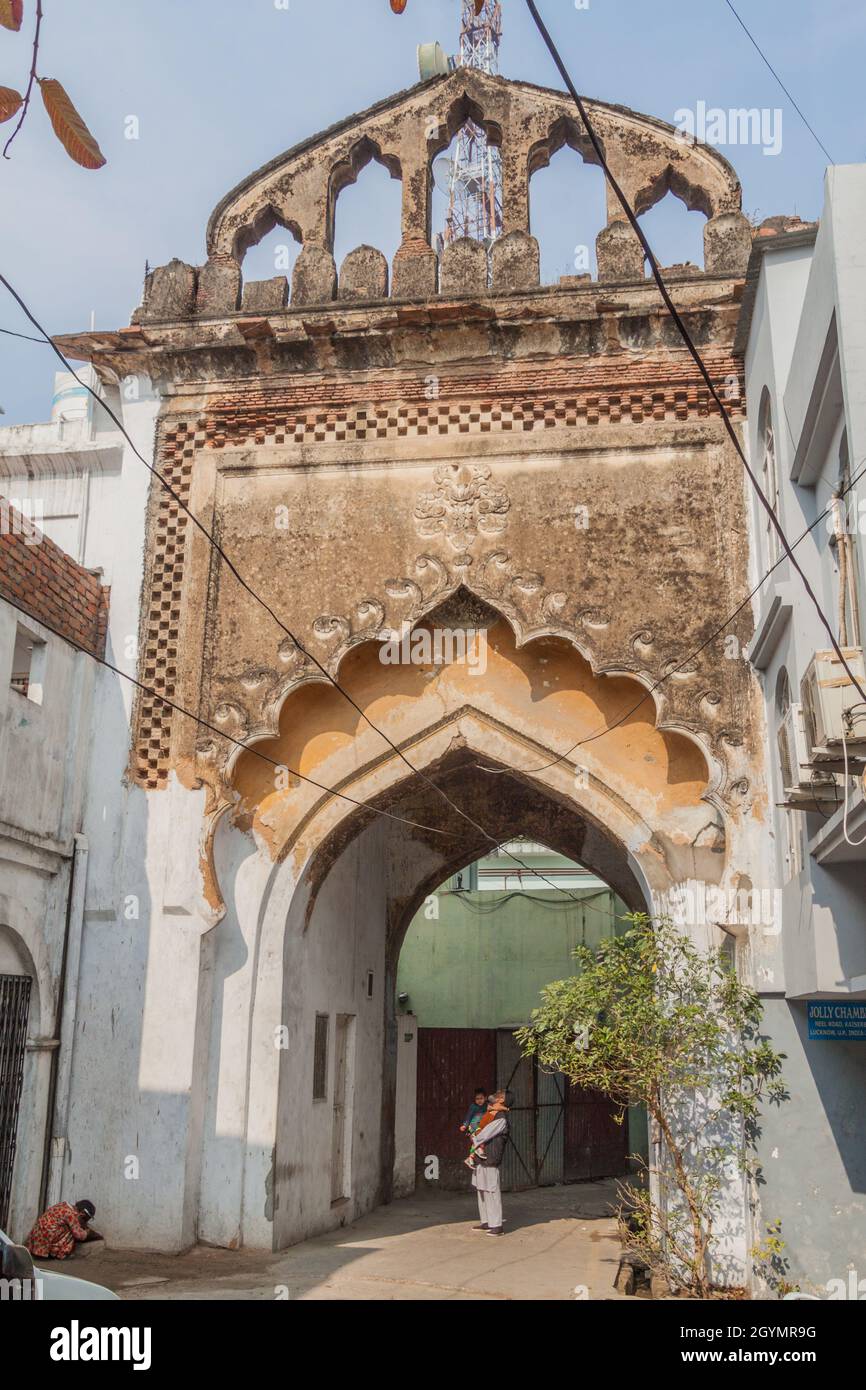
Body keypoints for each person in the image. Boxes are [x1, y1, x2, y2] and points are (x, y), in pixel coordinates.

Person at [470, 1091, 510, 1236]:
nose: (497, 1096)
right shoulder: (491, 1113)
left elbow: (485, 1133)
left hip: (491, 1158)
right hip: (482, 1158)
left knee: (492, 1191)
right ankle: (486, 1221)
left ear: (502, 1102)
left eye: (501, 1096)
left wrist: (475, 1137)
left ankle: (497, 1225)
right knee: (481, 1189)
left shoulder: (501, 1118)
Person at [26, 1199, 97, 1261]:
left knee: (67, 1226)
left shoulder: (63, 1204)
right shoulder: (72, 1215)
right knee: (71, 1231)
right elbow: (79, 1235)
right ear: (82, 1214)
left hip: (37, 1235)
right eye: (86, 1219)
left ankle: (39, 1250)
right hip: (46, 1238)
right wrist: (87, 1233)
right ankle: (60, 1254)